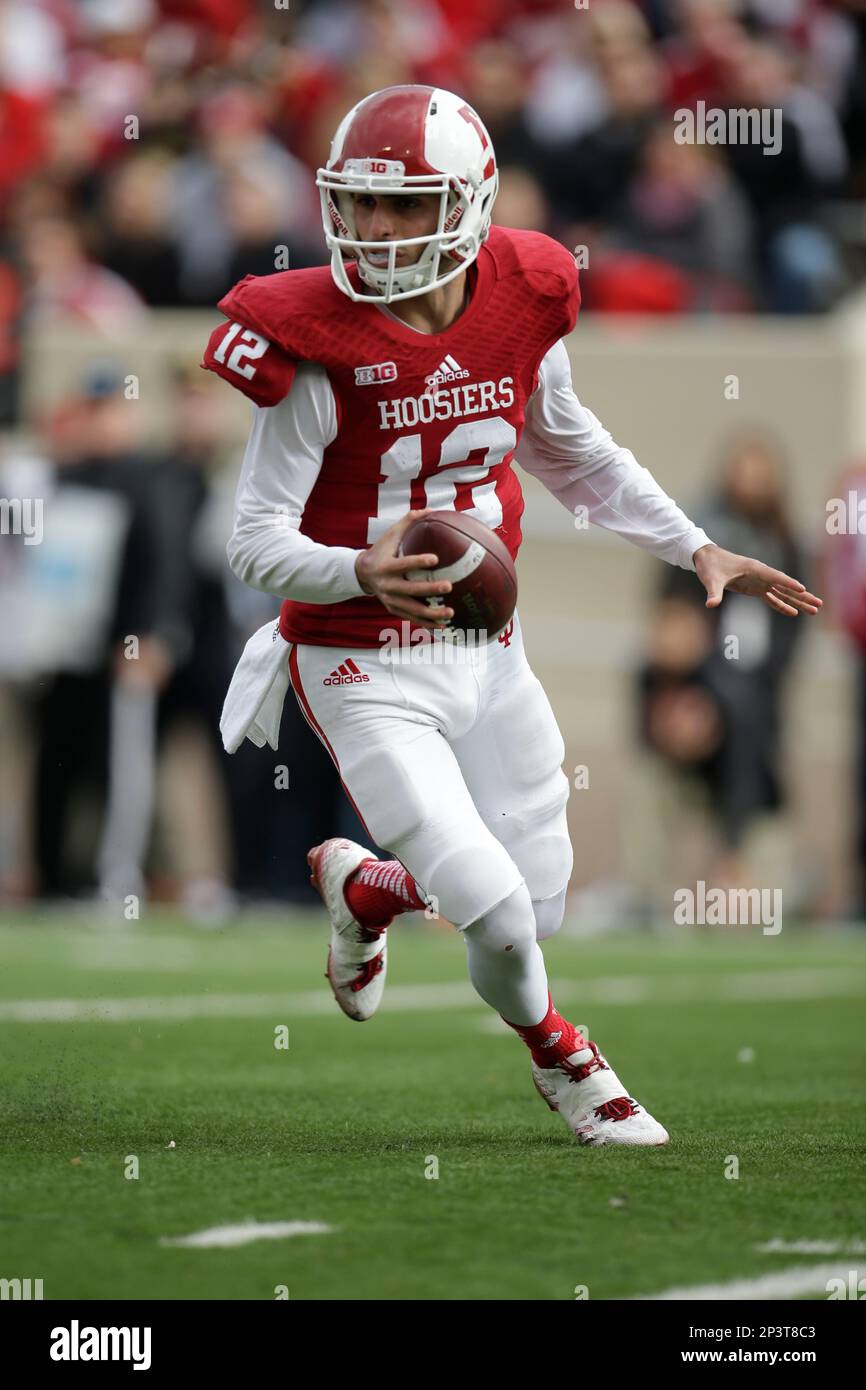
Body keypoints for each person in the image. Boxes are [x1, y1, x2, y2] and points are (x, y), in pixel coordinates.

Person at [203, 85, 821, 1148]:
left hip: (484, 646)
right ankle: (568, 1062)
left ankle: (367, 889)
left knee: (533, 908)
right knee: (488, 905)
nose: (376, 230)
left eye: (405, 207)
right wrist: (358, 569)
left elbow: (576, 455)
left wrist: (694, 545)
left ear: (472, 202)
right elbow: (251, 540)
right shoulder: (311, 342)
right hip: (358, 664)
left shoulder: (524, 293)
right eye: (359, 205)